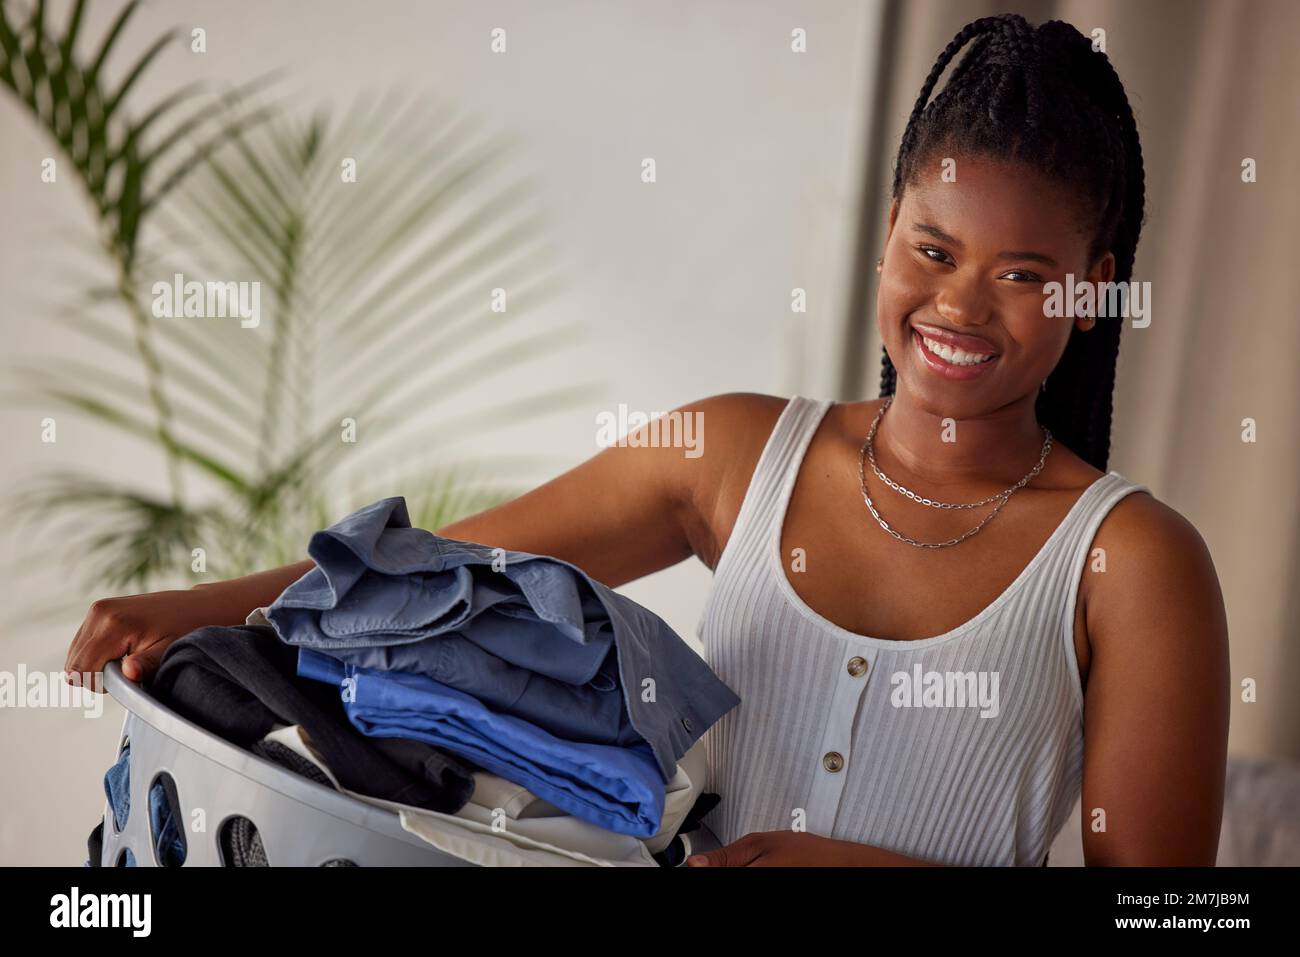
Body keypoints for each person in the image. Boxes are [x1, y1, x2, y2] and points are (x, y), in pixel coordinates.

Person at [65, 14, 1228, 866]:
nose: (961, 307)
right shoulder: (730, 454)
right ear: (888, 235)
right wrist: (213, 608)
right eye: (933, 250)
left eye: (1022, 275)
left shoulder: (1134, 564)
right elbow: (444, 581)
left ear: (1093, 289)